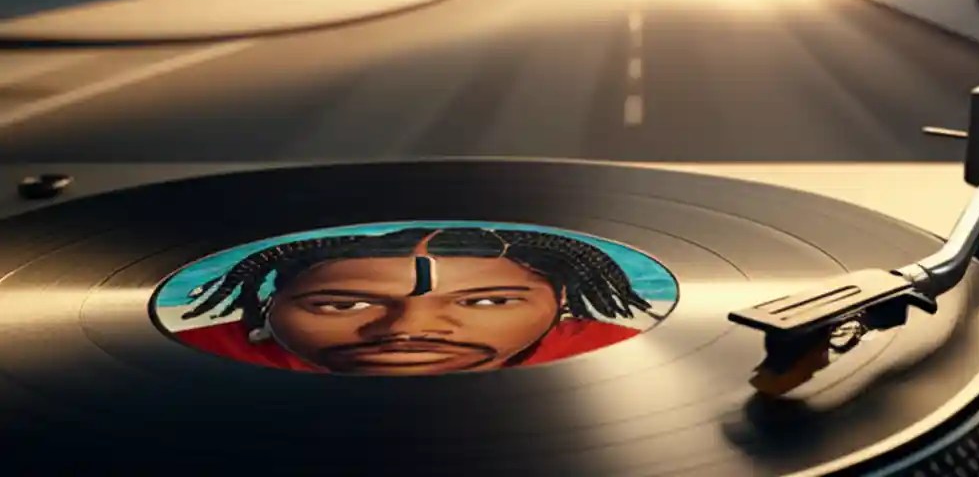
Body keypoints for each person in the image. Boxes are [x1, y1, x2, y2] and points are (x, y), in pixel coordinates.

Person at [170, 227, 657, 375]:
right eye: (342, 306)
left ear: (562, 303)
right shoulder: (190, 362)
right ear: (270, 305)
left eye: (486, 303)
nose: (408, 329)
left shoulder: (613, 356)